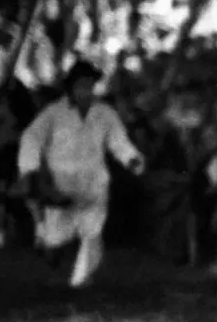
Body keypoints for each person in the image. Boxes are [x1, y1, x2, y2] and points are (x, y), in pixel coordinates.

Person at [16, 61, 143, 288]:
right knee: (57, 235)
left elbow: (118, 139)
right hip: (61, 181)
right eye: (81, 85)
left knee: (93, 229)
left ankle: (82, 280)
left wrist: (131, 159)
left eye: (90, 85)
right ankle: (49, 245)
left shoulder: (104, 113)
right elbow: (32, 138)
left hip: (94, 180)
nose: (86, 90)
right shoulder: (53, 113)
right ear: (71, 87)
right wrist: (30, 169)